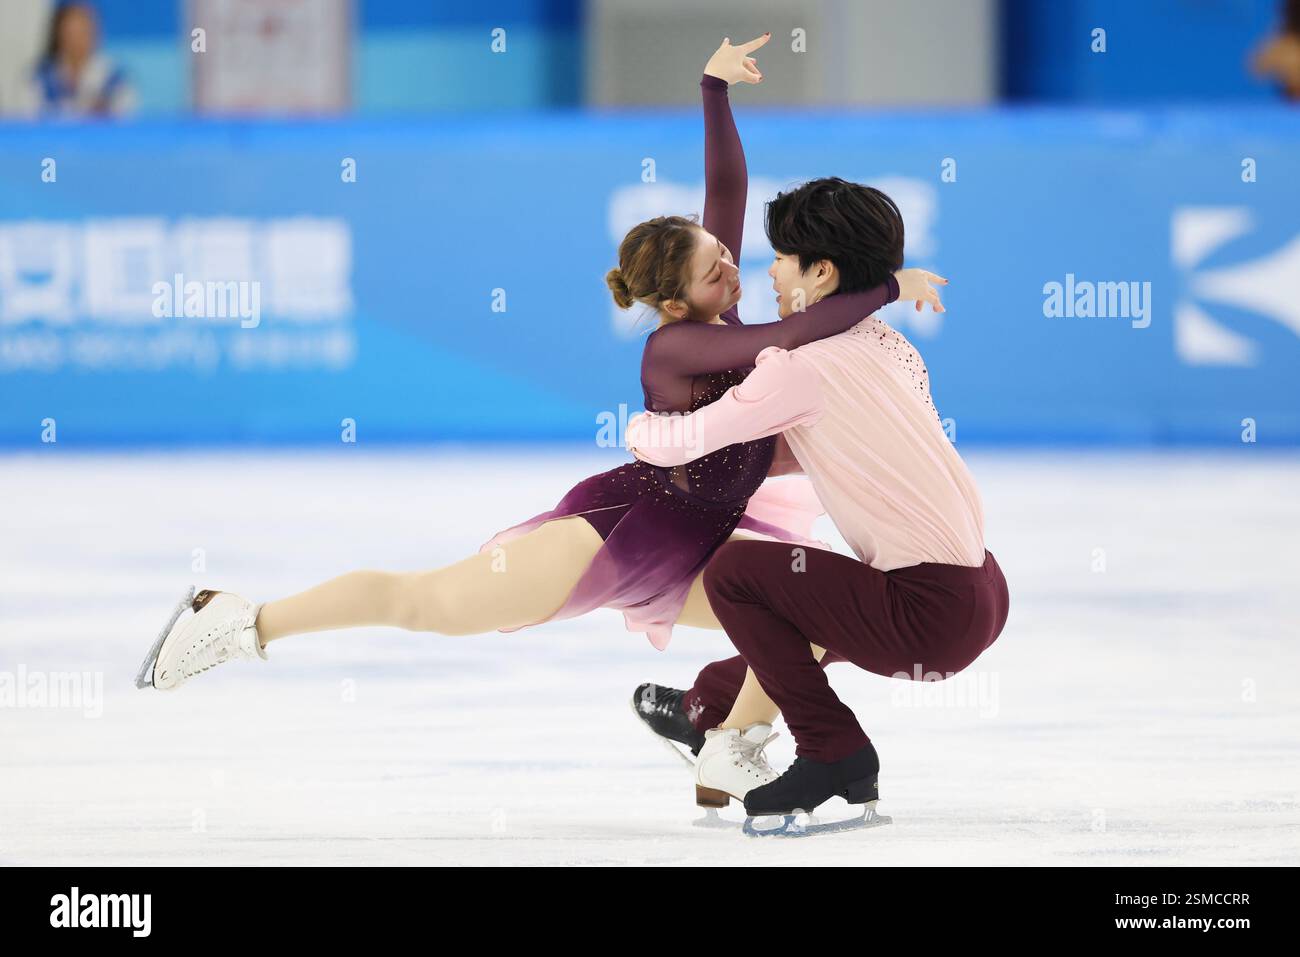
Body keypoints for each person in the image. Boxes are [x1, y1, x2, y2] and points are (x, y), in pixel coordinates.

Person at [135, 35, 946, 694]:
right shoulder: (679, 346)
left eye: (728, 258)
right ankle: (241, 618)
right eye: (715, 271)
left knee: (802, 631)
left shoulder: (717, 307)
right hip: (616, 535)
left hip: (701, 538)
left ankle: (722, 744)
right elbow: (783, 345)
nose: (735, 271)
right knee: (425, 602)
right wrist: (884, 287)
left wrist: (713, 87)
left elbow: (725, 186)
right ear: (673, 303)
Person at [626, 177, 1009, 820]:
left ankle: (833, 749)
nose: (767, 272)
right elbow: (821, 448)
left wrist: (636, 433)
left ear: (821, 271)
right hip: (982, 593)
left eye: (780, 257)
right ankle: (708, 705)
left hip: (927, 617)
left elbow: (681, 444)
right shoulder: (889, 346)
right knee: (806, 582)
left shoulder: (796, 368)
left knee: (738, 573)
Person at [31, 3, 135, 117]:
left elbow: (127, 116)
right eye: (70, 33)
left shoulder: (113, 77)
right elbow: (26, 118)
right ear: (58, 34)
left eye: (83, 31)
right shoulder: (40, 77)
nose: (76, 40)